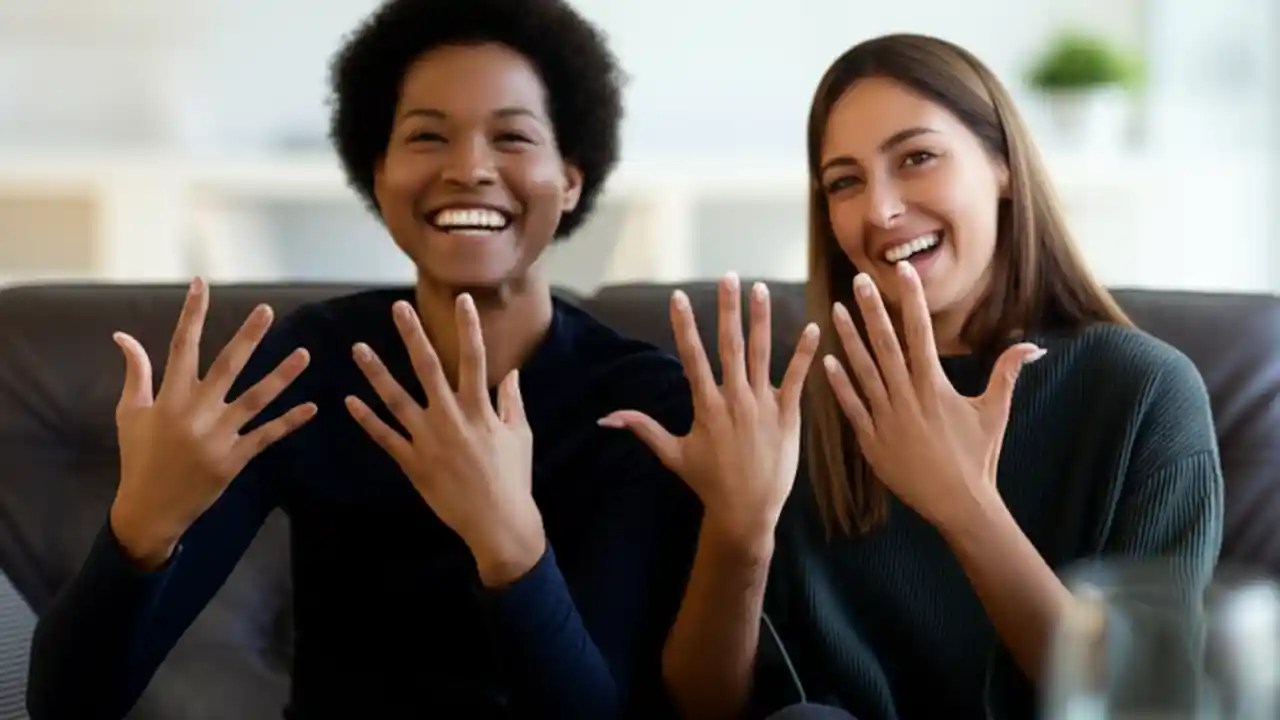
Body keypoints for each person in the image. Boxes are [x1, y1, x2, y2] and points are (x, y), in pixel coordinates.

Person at [26, 1, 707, 717]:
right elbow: (67, 706)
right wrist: (140, 528)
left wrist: (510, 547)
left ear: (570, 178)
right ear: (378, 174)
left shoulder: (642, 400)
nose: (470, 167)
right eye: (427, 136)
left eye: (512, 136)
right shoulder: (309, 366)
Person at [607, 33, 1224, 719]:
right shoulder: (795, 403)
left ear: (1002, 165)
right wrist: (738, 531)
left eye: (917, 158)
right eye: (845, 182)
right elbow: (705, 707)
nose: (879, 210)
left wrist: (966, 507)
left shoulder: (1144, 392)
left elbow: (1149, 704)